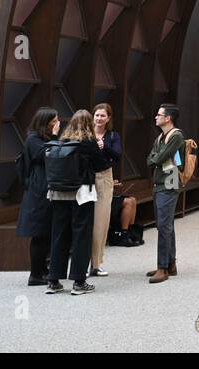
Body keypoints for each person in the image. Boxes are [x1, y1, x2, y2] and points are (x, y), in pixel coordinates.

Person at [45, 109, 102, 295]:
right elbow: (102, 165)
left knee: (59, 234)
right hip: (82, 193)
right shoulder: (89, 142)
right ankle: (79, 282)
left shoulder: (62, 141)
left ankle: (53, 280)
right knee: (81, 236)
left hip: (59, 193)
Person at [17, 107, 61, 286]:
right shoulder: (33, 139)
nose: (58, 122)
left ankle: (43, 270)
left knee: (46, 232)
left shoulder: (42, 138)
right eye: (54, 120)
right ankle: (35, 274)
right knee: (39, 233)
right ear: (46, 122)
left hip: (45, 188)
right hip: (38, 190)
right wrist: (56, 136)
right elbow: (49, 155)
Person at [146, 104, 188, 284]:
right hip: (159, 184)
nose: (156, 117)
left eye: (159, 115)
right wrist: (155, 158)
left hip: (169, 184)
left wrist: (155, 158)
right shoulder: (160, 137)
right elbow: (151, 158)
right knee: (165, 224)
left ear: (168, 118)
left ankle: (163, 268)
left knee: (164, 226)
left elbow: (161, 157)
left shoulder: (176, 136)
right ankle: (170, 264)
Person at [88, 103, 122, 277]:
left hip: (104, 177)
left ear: (108, 118)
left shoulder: (113, 136)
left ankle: (97, 263)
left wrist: (104, 147)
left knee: (101, 222)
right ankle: (82, 262)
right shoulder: (86, 134)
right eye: (97, 115)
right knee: (84, 220)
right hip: (86, 178)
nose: (99, 118)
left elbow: (117, 156)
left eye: (103, 116)